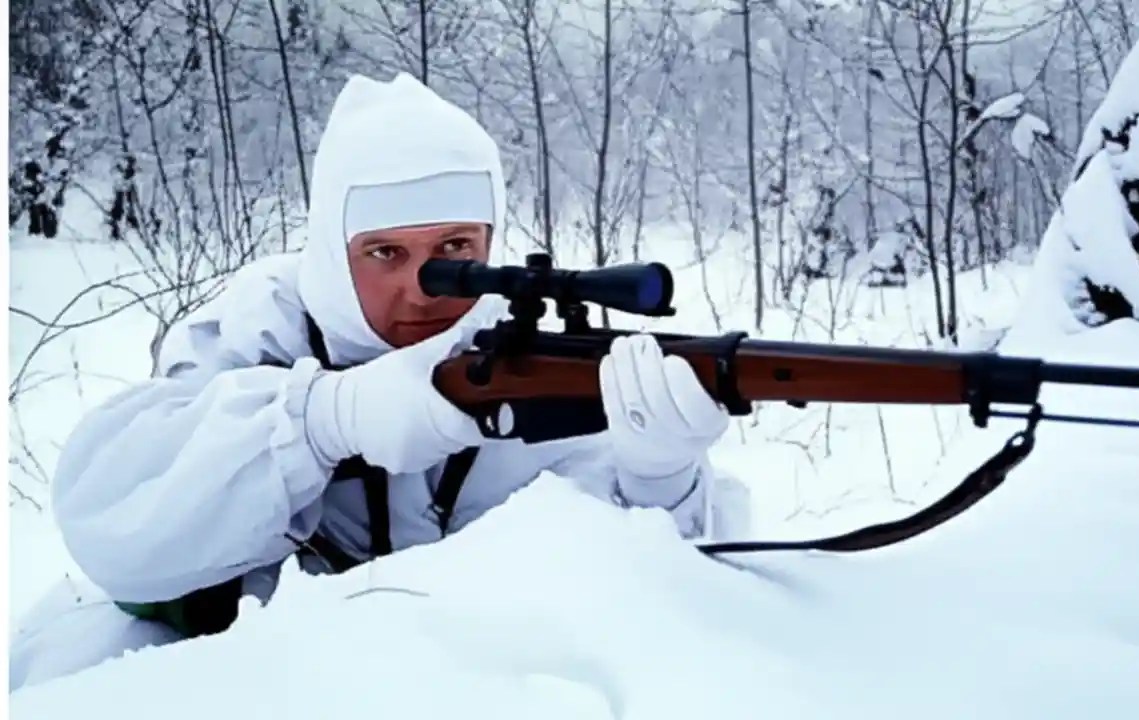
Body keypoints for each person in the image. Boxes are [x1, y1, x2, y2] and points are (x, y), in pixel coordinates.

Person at [9, 72, 731, 691]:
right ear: (330, 245)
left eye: (455, 249)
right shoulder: (261, 332)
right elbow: (114, 528)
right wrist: (324, 421)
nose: (422, 292)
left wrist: (661, 481)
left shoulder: (526, 358)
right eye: (385, 253)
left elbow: (646, 621)